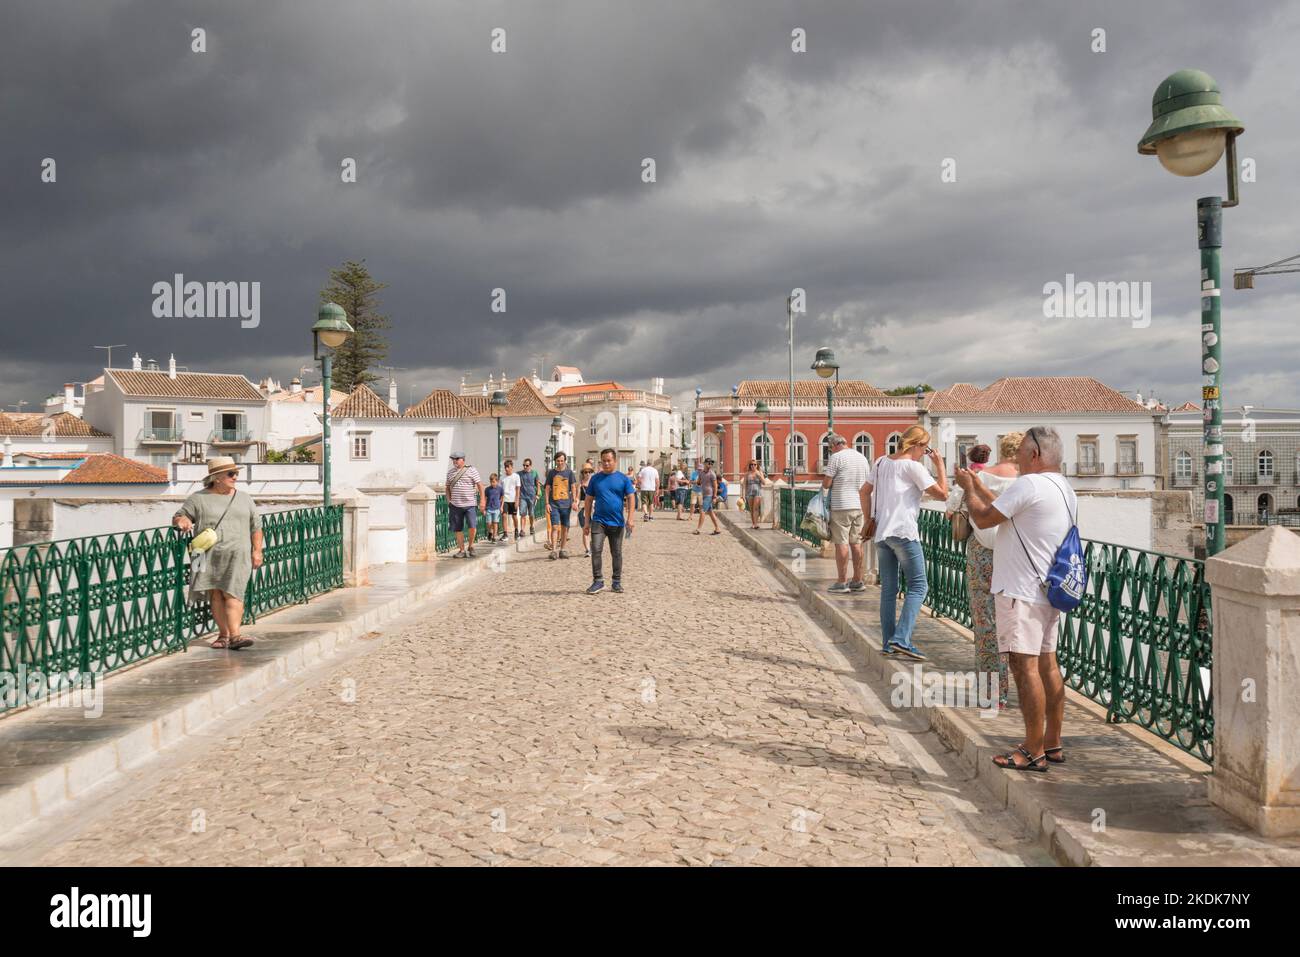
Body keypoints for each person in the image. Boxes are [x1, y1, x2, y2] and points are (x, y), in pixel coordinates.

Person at [958, 426, 1076, 772]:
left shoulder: (1029, 484)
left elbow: (984, 518)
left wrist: (968, 490)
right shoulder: (1063, 487)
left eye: (1020, 452)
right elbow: (1006, 508)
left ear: (1034, 454)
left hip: (1020, 591)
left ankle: (1032, 749)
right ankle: (1052, 742)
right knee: (1048, 665)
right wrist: (979, 485)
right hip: (1049, 589)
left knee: (1024, 668)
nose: (1015, 458)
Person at [946, 433, 1022, 710]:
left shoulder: (979, 477)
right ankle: (1028, 691)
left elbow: (951, 509)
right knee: (1020, 626)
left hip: (982, 554)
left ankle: (992, 694)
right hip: (1017, 559)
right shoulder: (1027, 482)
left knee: (986, 625)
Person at [861, 425, 947, 660]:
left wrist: (869, 520)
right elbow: (943, 494)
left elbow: (864, 491)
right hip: (903, 532)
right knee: (919, 586)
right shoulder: (913, 467)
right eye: (925, 448)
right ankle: (901, 639)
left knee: (889, 590)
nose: (925, 453)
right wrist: (940, 466)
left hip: (882, 534)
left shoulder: (881, 462)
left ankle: (888, 644)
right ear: (917, 445)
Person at [172, 457, 264, 650]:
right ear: (217, 477)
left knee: (233, 593)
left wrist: (257, 551)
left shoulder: (244, 498)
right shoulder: (198, 498)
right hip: (207, 555)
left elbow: (256, 526)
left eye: (236, 473)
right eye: (231, 474)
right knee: (215, 594)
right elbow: (180, 515)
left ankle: (235, 636)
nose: (235, 477)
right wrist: (182, 521)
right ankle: (223, 635)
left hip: (238, 555)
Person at [821, 434, 872, 594]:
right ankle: (857, 580)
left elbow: (826, 484)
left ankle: (842, 582)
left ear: (834, 445)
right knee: (856, 543)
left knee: (841, 543)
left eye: (830, 448)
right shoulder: (862, 457)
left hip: (842, 505)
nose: (831, 451)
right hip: (860, 505)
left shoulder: (836, 458)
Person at [584, 448, 636, 593]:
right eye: (603, 461)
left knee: (616, 552)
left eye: (609, 461)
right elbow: (588, 500)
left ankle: (616, 582)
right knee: (596, 550)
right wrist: (587, 522)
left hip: (617, 522)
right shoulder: (595, 479)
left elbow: (631, 497)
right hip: (598, 521)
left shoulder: (623, 478)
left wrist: (630, 518)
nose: (606, 463)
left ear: (615, 461)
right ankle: (598, 581)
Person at [445, 452, 485, 558]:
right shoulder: (450, 473)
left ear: (463, 459)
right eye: (453, 459)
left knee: (472, 526)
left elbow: (480, 485)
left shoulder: (472, 470)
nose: (454, 461)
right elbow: (447, 487)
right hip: (455, 505)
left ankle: (471, 546)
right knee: (458, 528)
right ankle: (462, 550)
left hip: (470, 504)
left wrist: (482, 500)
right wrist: (449, 500)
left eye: (457, 459)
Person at [545, 451, 578, 560]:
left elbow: (573, 487)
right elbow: (547, 488)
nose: (560, 463)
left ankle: (562, 549)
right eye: (558, 461)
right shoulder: (551, 473)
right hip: (554, 504)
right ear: (555, 461)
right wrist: (547, 503)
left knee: (565, 527)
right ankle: (554, 550)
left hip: (566, 505)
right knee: (554, 526)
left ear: (565, 461)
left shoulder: (569, 473)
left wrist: (574, 501)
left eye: (562, 461)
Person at [693, 458, 721, 535]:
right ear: (705, 463)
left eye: (711, 464)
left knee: (702, 511)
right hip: (704, 495)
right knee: (711, 512)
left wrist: (714, 497)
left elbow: (715, 486)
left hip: (709, 495)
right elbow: (698, 482)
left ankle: (698, 529)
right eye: (709, 463)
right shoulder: (701, 473)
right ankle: (717, 529)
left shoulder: (712, 474)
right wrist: (696, 482)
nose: (710, 465)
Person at [499, 459, 521, 541]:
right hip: (505, 500)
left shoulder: (516, 476)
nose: (506, 468)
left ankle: (516, 531)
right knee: (504, 515)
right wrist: (500, 501)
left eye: (508, 467)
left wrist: (517, 501)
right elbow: (500, 490)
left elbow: (518, 489)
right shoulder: (502, 477)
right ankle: (505, 534)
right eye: (505, 467)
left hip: (513, 500)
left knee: (514, 516)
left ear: (512, 467)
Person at [518, 458, 539, 541]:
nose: (525, 467)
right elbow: (513, 476)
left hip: (532, 496)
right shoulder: (520, 474)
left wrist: (537, 494)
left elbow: (537, 484)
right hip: (522, 497)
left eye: (526, 465)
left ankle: (531, 526)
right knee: (522, 514)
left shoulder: (534, 473)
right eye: (524, 465)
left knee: (531, 514)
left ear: (530, 465)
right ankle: (522, 530)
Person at [577, 463, 595, 556]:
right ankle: (588, 550)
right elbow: (577, 498)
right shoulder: (580, 485)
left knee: (595, 530)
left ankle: (593, 546)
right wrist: (575, 503)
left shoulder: (595, 484)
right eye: (585, 472)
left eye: (589, 472)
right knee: (585, 529)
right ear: (582, 473)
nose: (587, 474)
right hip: (583, 508)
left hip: (594, 508)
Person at [744, 460, 766, 529]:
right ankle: (753, 523)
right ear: (750, 465)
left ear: (757, 465)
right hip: (749, 492)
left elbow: (764, 482)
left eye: (754, 464)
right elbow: (745, 484)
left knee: (755, 508)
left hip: (757, 492)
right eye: (751, 464)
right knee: (751, 509)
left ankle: (756, 524)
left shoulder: (759, 472)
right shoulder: (747, 473)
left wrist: (759, 476)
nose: (753, 466)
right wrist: (744, 494)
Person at [485, 473, 504, 544]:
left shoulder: (500, 489)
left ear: (497, 481)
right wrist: (484, 508)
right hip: (489, 508)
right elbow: (485, 498)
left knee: (495, 523)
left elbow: (502, 497)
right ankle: (490, 532)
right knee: (489, 523)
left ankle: (494, 537)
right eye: (491, 482)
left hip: (496, 508)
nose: (492, 483)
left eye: (493, 482)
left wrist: (501, 507)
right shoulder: (487, 489)